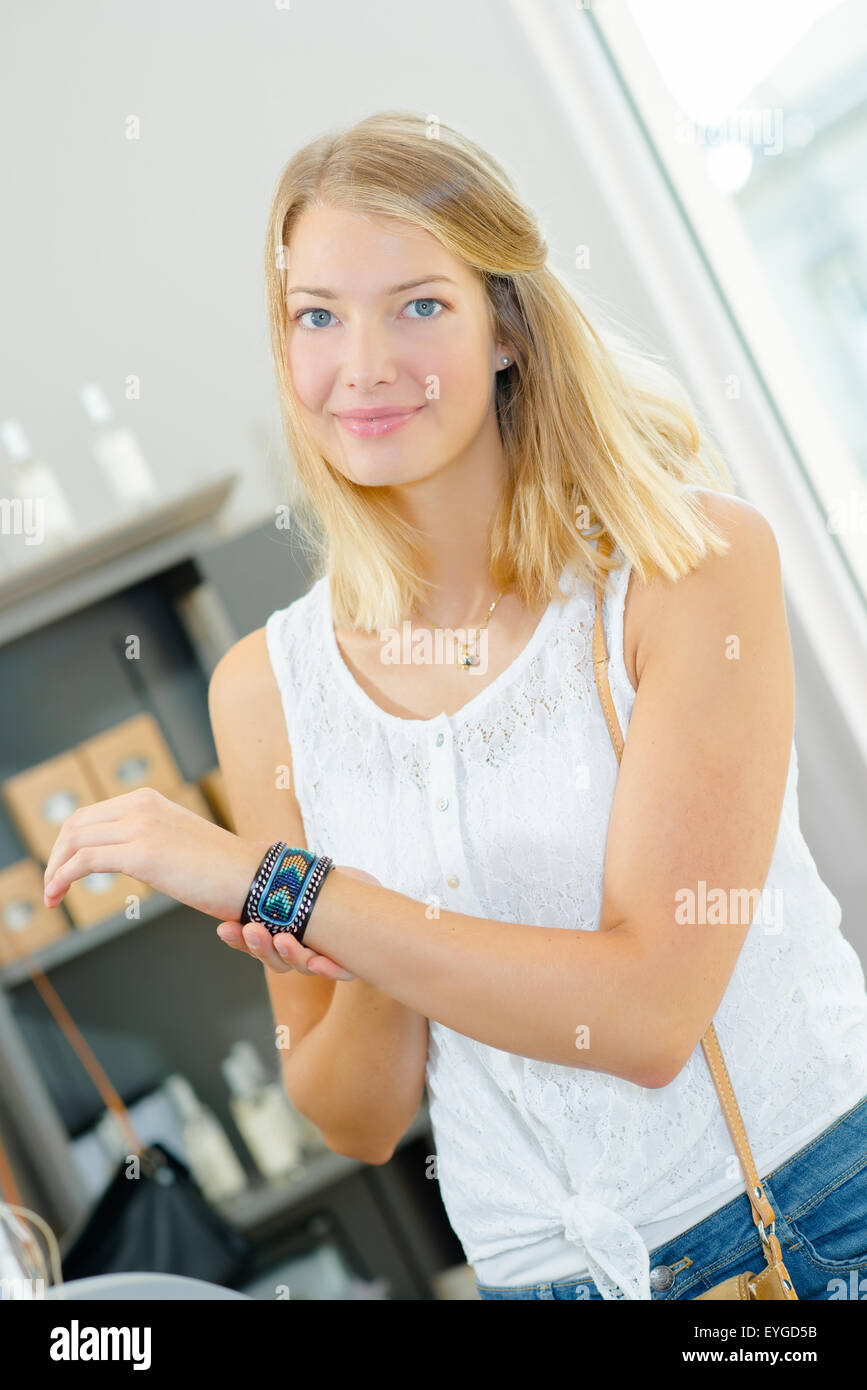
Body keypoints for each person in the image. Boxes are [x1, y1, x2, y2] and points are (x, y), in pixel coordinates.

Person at [42, 111, 867, 1301]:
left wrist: (304, 891)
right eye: (318, 314)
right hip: (542, 1282)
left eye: (418, 304)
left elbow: (647, 1016)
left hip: (803, 1225)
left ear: (507, 327)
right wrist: (365, 940)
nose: (364, 363)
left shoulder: (687, 564)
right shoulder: (269, 690)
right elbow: (356, 1117)